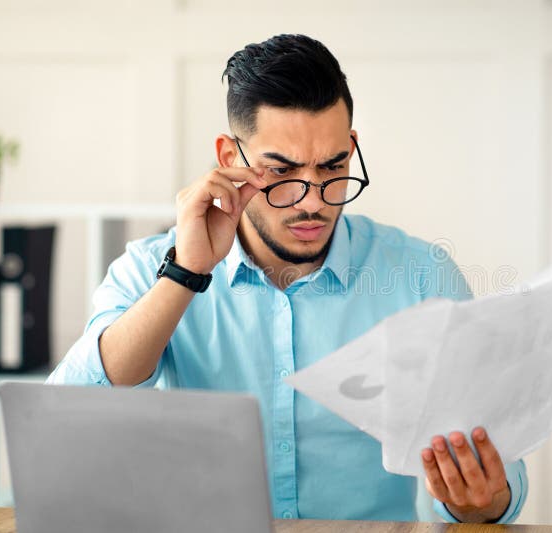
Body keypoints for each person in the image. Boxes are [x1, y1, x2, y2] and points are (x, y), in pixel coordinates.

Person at [47, 33, 527, 524]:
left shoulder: (422, 276)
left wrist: (479, 501)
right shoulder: (147, 269)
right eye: (281, 171)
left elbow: (497, 468)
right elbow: (68, 414)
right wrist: (185, 274)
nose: (314, 201)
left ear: (351, 149)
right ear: (230, 159)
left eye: (333, 166)